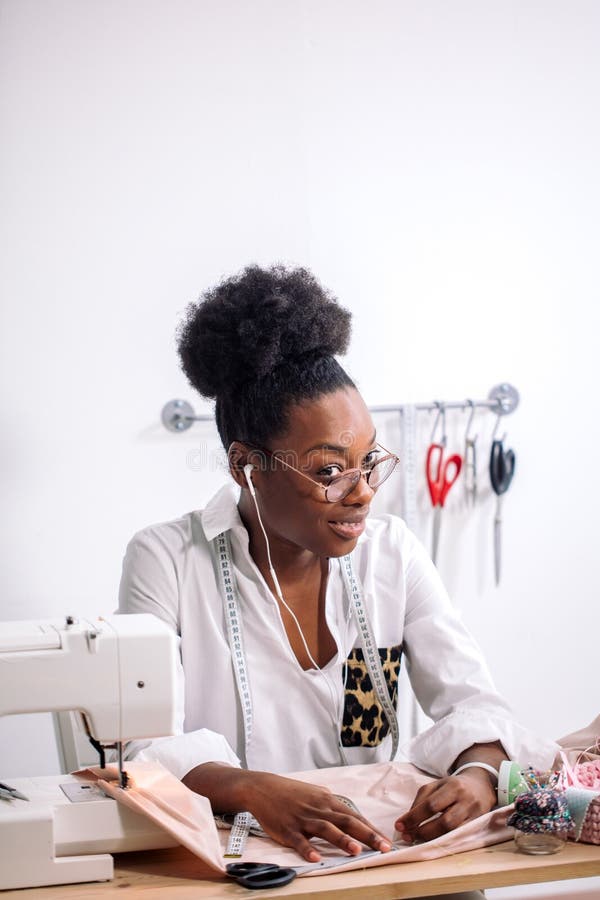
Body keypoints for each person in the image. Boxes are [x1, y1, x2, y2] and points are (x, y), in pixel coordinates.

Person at [119, 265, 556, 874]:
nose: (363, 493)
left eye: (368, 461)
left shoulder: (392, 554)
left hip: (375, 855)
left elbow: (473, 704)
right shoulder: (166, 560)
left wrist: (479, 774)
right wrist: (254, 788)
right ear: (245, 465)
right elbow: (140, 746)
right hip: (237, 865)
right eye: (329, 471)